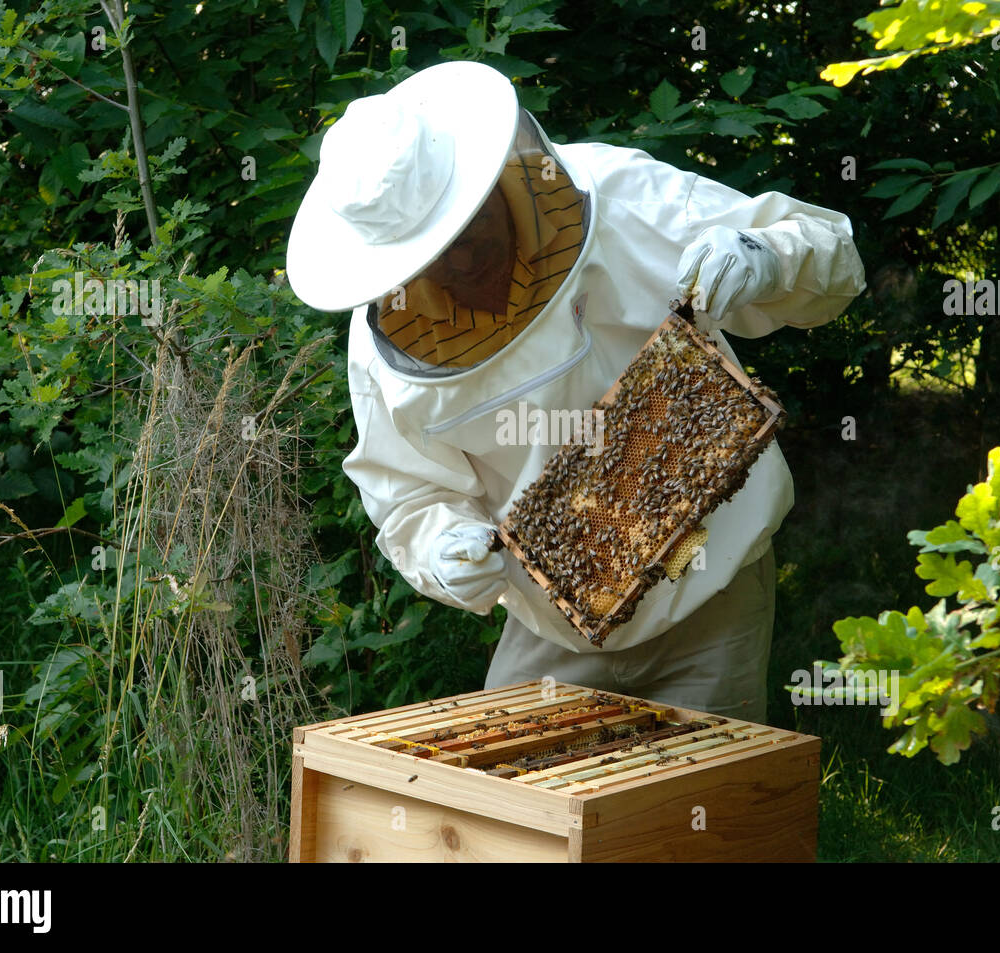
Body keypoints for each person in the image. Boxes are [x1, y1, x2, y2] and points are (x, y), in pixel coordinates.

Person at [287, 62, 865, 723]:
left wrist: (766, 257)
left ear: (491, 184)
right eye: (434, 257)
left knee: (706, 817)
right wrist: (445, 549)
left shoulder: (624, 199)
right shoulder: (384, 350)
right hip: (555, 622)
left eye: (468, 233)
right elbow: (410, 494)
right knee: (513, 817)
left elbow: (834, 257)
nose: (465, 264)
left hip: (713, 589)